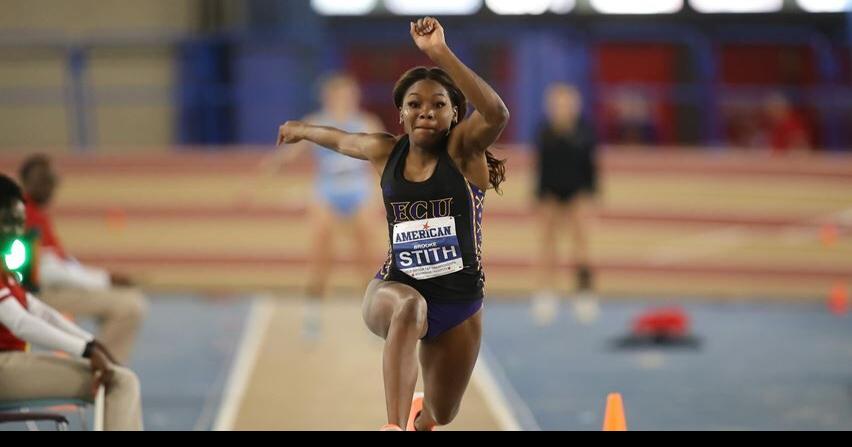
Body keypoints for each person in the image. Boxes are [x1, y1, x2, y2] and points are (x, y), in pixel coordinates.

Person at [275, 17, 508, 431]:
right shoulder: (386, 152)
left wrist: (439, 53)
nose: (426, 112)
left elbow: (495, 111)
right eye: (415, 104)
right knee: (409, 306)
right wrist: (302, 130)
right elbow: (343, 140)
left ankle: (420, 421)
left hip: (458, 304)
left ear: (455, 114)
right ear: (400, 114)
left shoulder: (465, 152)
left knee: (443, 413)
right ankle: (393, 427)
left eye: (439, 104)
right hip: (394, 287)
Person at [0, 174, 143, 431]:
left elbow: (39, 311)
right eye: (7, 223)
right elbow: (20, 322)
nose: (15, 232)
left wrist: (91, 343)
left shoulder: (5, 266)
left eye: (19, 223)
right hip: (4, 370)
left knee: (122, 379)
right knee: (121, 383)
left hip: (10, 364)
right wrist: (85, 350)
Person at [250, 74, 384, 340]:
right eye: (339, 95)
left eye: (349, 94)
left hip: (358, 189)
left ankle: (374, 316)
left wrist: (386, 194)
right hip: (327, 190)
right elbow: (290, 153)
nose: (344, 100)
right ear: (328, 97)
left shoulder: (367, 122)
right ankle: (312, 313)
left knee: (367, 257)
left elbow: (384, 160)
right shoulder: (315, 121)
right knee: (321, 255)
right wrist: (268, 170)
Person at [18, 155, 148, 364]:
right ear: (28, 182)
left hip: (45, 288)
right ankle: (104, 370)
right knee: (130, 306)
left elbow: (61, 264)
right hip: (37, 294)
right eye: (44, 179)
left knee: (127, 298)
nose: (50, 185)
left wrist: (104, 278)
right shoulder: (25, 217)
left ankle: (100, 365)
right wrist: (104, 280)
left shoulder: (33, 214)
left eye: (50, 179)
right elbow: (49, 272)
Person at [531, 83, 600, 326]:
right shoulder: (544, 132)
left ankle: (584, 292)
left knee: (581, 243)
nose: (561, 109)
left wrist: (590, 194)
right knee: (548, 242)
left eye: (566, 104)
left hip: (577, 192)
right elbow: (540, 168)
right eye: (557, 105)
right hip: (551, 192)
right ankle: (546, 293)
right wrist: (539, 196)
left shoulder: (584, 131)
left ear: (575, 107)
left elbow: (591, 166)